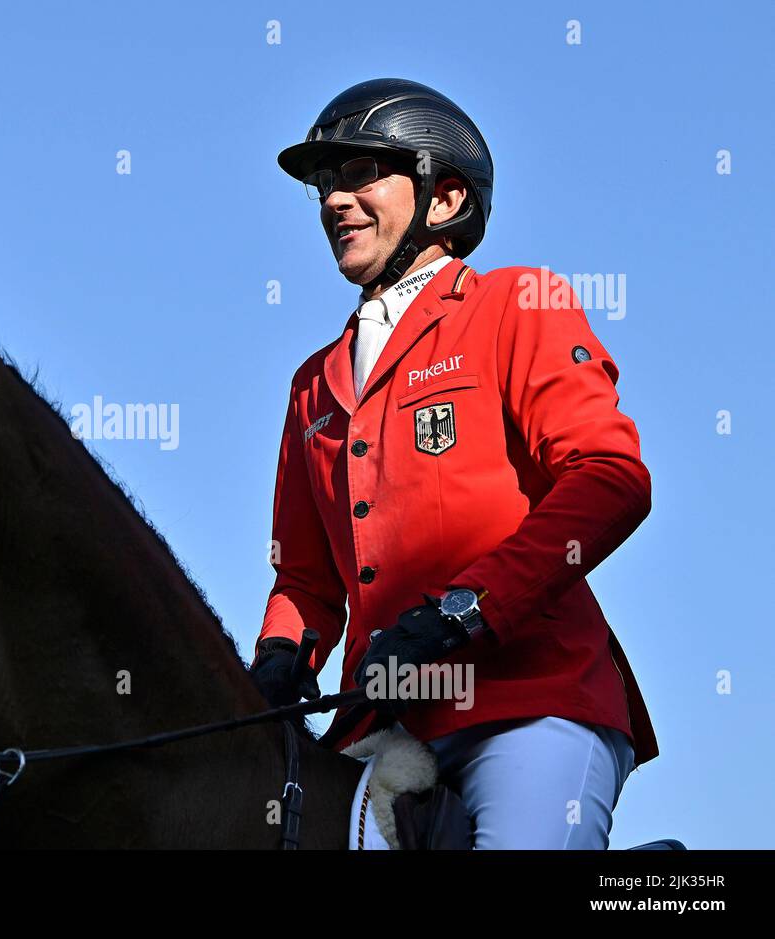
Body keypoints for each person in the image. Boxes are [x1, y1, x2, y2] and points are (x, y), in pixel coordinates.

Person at [249, 78, 657, 848]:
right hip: (382, 722)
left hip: (531, 700)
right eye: (329, 183)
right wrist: (279, 655)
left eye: (363, 173)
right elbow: (305, 579)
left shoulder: (516, 303)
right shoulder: (313, 384)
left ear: (445, 198)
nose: (337, 200)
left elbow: (612, 479)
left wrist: (466, 609)